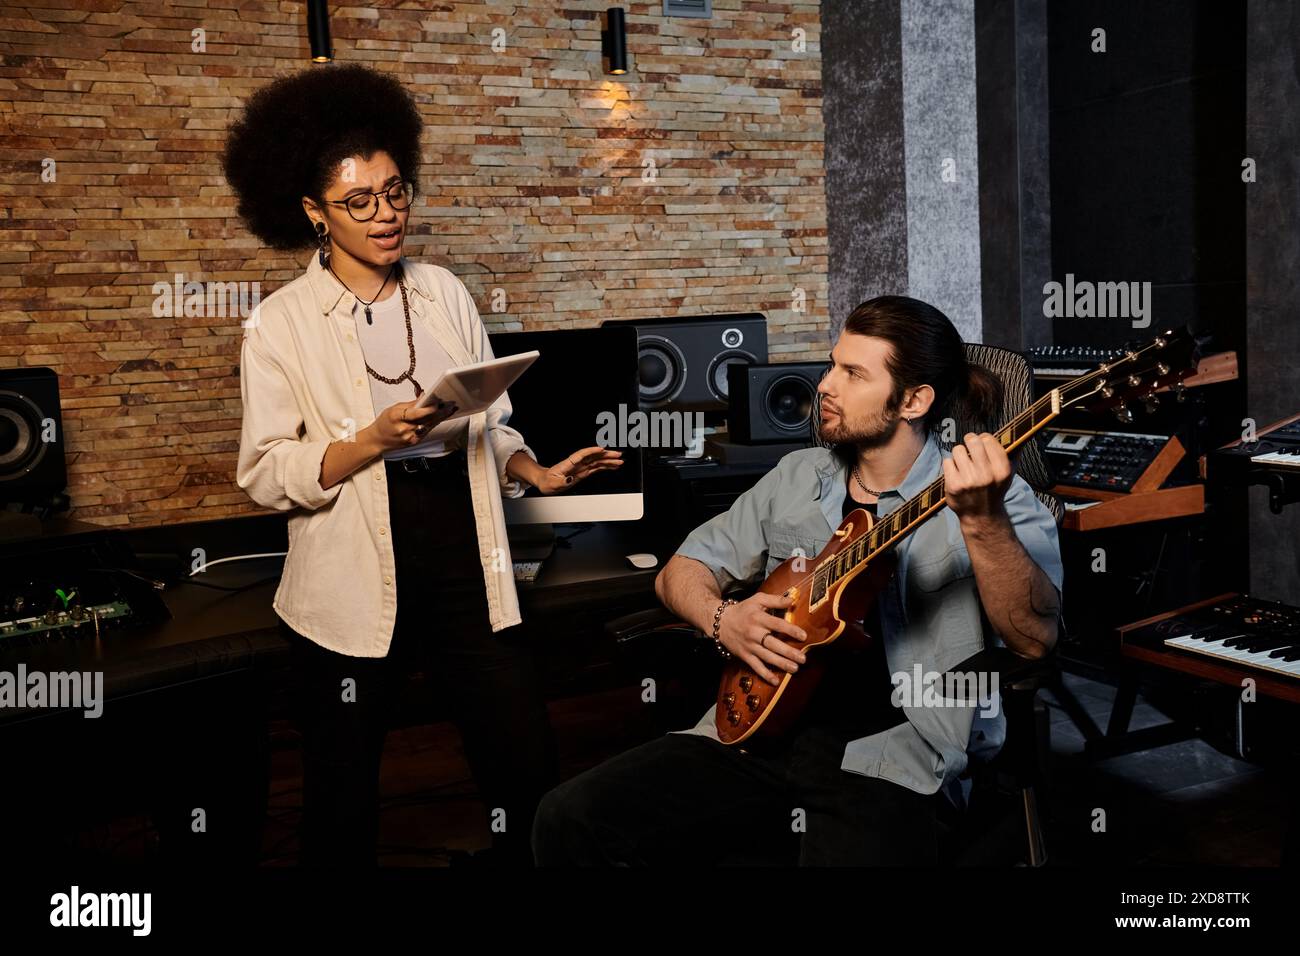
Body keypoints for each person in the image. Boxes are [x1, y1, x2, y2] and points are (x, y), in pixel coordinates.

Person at [222, 64, 622, 866]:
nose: (385, 214)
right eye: (358, 201)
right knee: (342, 788)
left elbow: (489, 423)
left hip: (462, 544)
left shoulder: (442, 292)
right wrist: (371, 440)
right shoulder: (278, 325)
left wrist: (532, 472)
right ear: (312, 212)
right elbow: (265, 472)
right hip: (348, 568)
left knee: (522, 760)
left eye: (395, 191)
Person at [533, 295, 1063, 866]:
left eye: (853, 373)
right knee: (568, 818)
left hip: (893, 751)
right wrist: (724, 619)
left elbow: (1035, 638)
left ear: (913, 400)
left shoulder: (997, 500)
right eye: (832, 363)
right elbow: (679, 572)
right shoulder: (796, 475)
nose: (825, 385)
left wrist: (982, 523)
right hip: (758, 730)